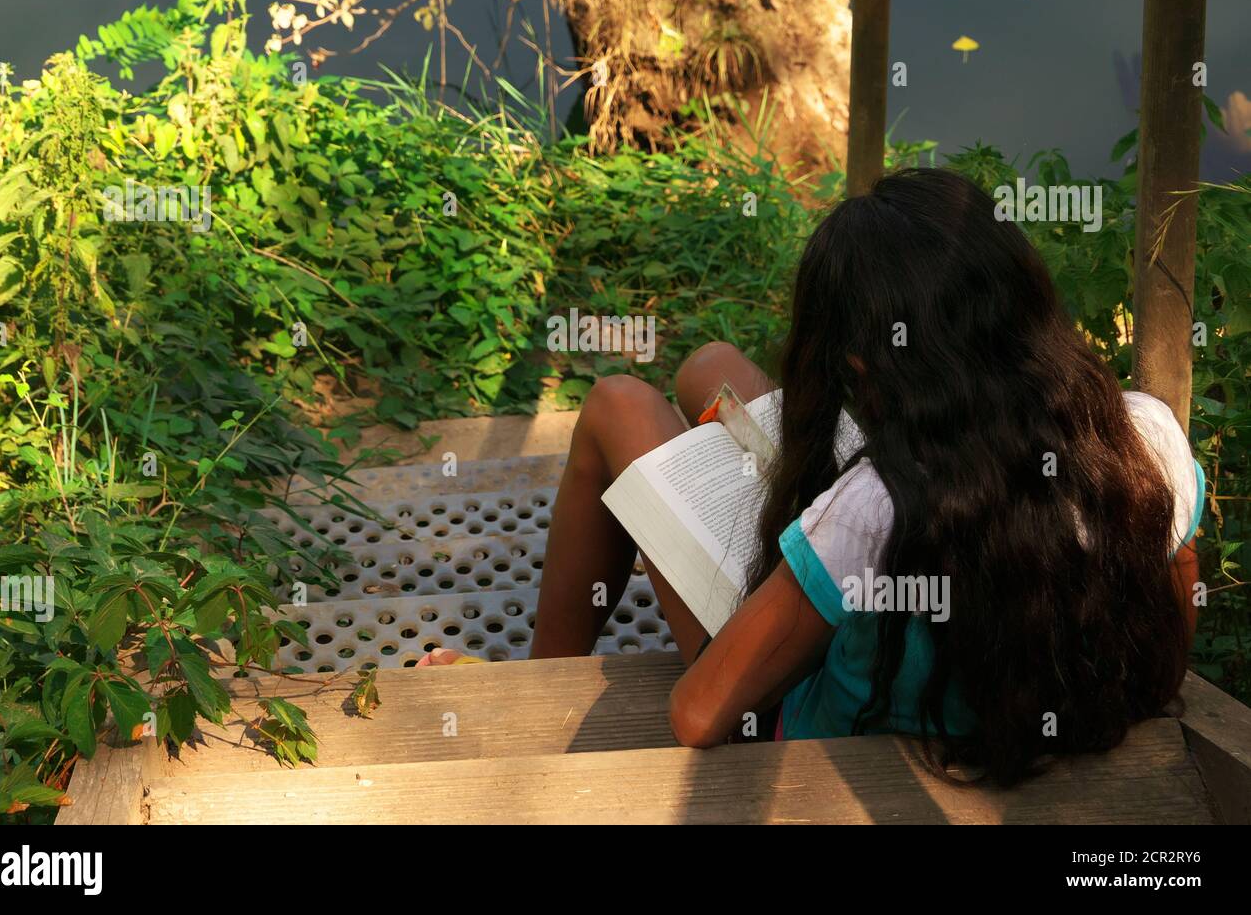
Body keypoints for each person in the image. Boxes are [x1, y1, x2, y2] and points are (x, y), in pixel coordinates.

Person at [421, 168, 1204, 785]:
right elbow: (1171, 641)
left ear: (859, 366)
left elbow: (699, 716)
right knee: (711, 369)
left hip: (806, 736)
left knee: (618, 406)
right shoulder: (1143, 438)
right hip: (1003, 672)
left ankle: (537, 687)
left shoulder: (875, 508)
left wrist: (808, 554)